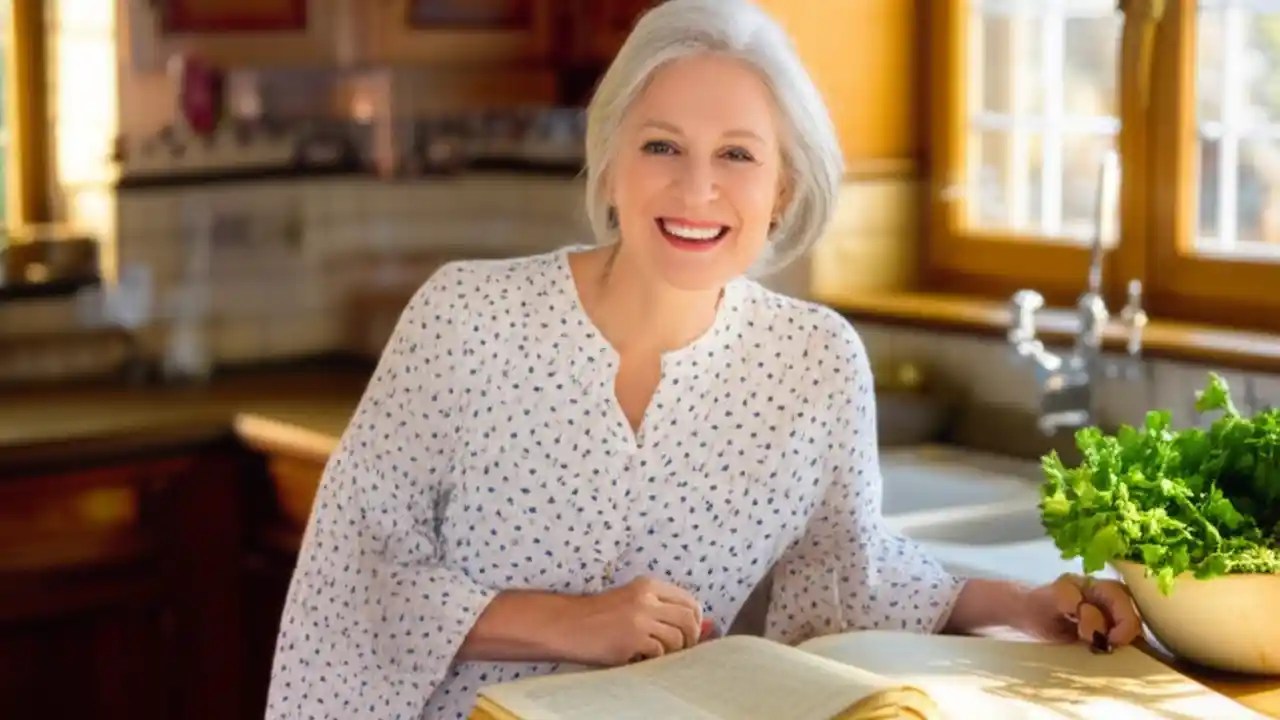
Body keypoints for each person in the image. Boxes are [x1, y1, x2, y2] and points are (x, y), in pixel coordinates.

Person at [265, 1, 1142, 717]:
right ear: (610, 161)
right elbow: (355, 575)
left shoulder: (814, 362)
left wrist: (1024, 606)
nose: (696, 189)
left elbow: (851, 572)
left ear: (782, 188)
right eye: (661, 146)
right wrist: (570, 624)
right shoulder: (468, 319)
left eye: (737, 155)